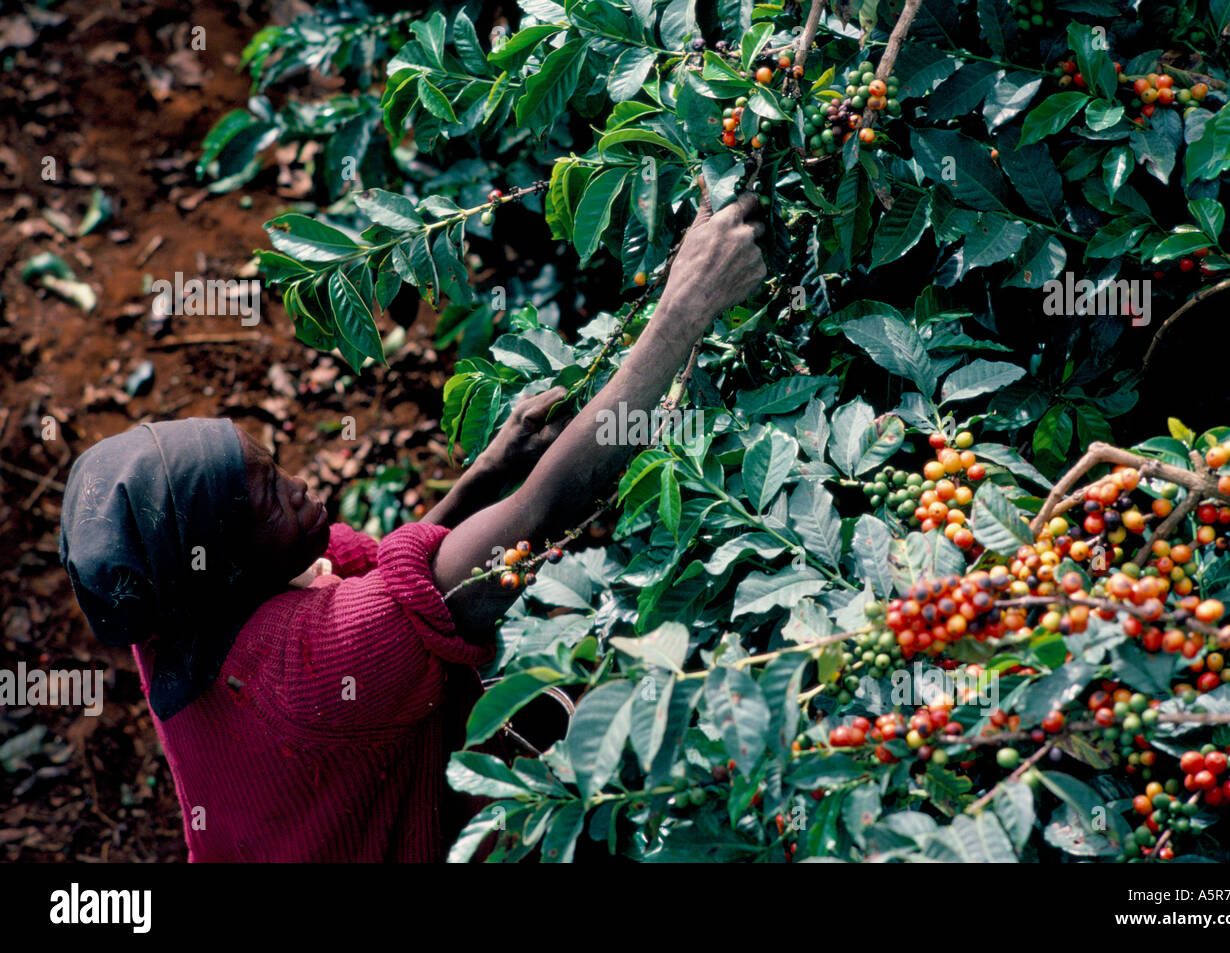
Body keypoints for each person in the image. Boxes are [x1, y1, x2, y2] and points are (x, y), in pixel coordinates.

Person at [58, 186, 766, 861]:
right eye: (273, 497)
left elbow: (394, 595)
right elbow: (538, 517)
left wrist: (486, 470)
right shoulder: (306, 675)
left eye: (277, 468)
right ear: (226, 565)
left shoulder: (180, 612)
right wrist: (686, 307)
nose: (303, 488)